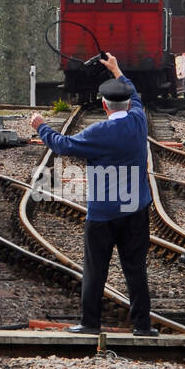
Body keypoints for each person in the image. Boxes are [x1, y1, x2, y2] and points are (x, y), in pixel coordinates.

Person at [30, 52, 158, 337]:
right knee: (136, 270)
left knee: (95, 270)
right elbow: (134, 94)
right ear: (127, 103)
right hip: (136, 210)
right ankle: (142, 326)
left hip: (102, 214)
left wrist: (41, 125)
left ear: (104, 105)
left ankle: (90, 323)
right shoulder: (138, 120)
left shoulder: (98, 132)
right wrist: (117, 70)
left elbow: (61, 146)